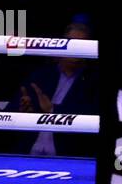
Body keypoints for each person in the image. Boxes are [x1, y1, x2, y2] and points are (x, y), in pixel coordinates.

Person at [13, 20, 98, 158]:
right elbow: (13, 109)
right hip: (29, 150)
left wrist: (53, 110)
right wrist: (23, 108)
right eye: (71, 43)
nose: (75, 49)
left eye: (81, 44)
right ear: (61, 44)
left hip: (68, 154)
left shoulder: (94, 81)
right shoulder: (40, 76)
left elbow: (93, 115)